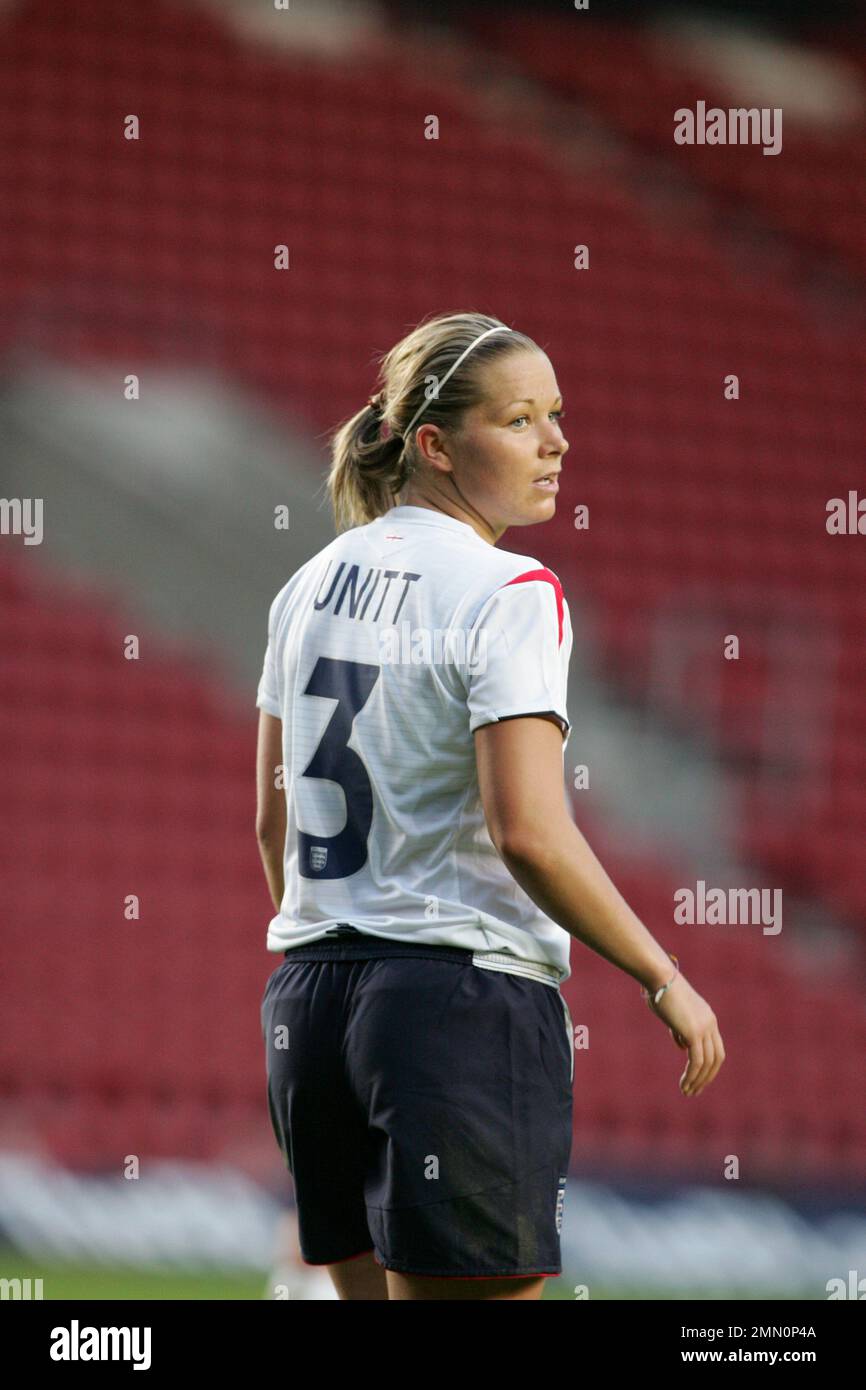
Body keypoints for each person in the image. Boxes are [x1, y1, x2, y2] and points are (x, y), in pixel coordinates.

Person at [256, 311, 725, 1302]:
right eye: (519, 420)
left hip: (308, 1003)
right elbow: (528, 832)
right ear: (433, 444)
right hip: (452, 1010)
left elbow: (272, 823)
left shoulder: (305, 585)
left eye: (555, 415)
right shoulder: (511, 588)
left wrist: (340, 939)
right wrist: (660, 974)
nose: (556, 443)